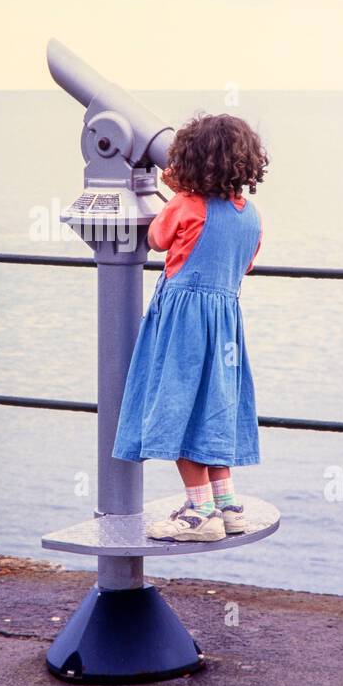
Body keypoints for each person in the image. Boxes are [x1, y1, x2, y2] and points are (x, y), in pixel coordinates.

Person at [112, 112, 268, 541]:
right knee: (212, 410)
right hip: (225, 327)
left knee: (179, 408)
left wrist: (176, 192)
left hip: (182, 327)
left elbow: (157, 239)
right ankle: (227, 504)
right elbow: (246, 263)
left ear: (188, 162)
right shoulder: (251, 216)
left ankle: (199, 514)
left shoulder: (185, 205)